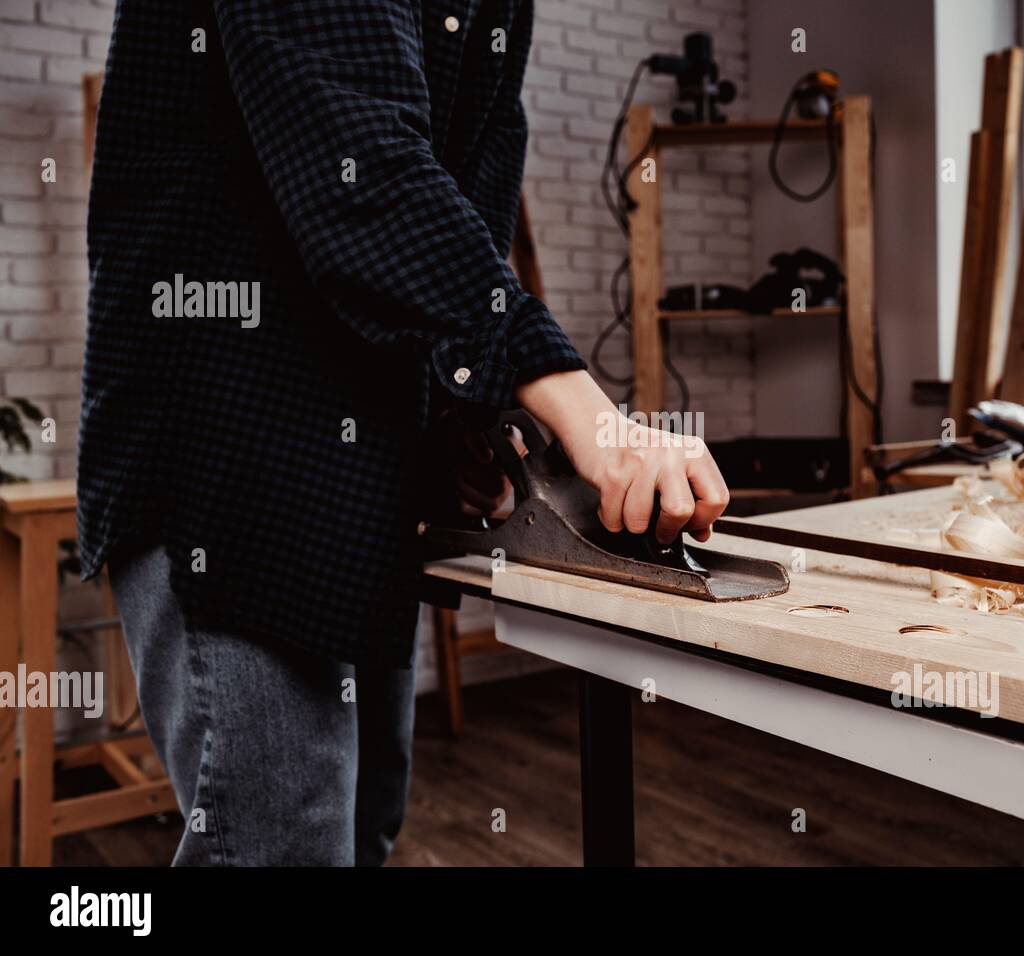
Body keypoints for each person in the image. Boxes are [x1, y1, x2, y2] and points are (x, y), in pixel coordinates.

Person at [78, 0, 728, 866]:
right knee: (280, 842)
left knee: (363, 822)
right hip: (231, 445)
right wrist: (594, 420)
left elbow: (469, 183)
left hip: (364, 454)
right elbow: (363, 168)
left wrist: (461, 415)